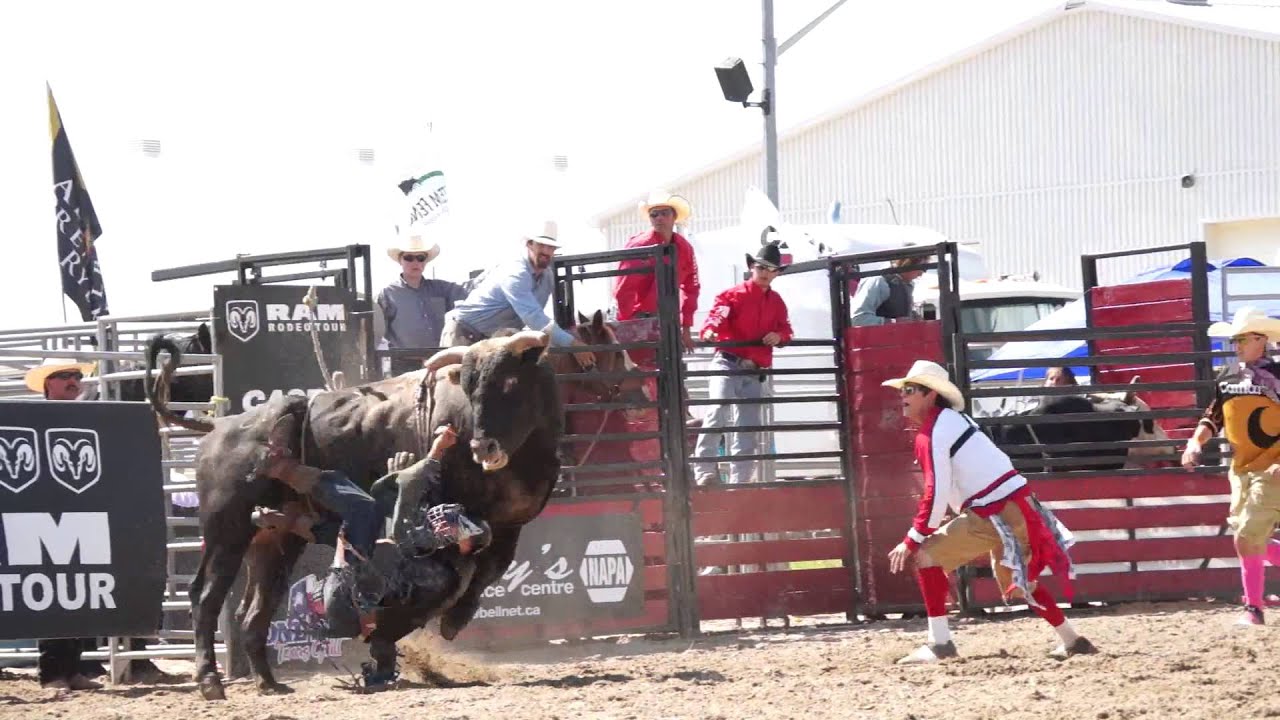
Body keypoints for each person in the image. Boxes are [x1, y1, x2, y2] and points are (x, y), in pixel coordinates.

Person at [882, 360, 1095, 663]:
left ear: (930, 394)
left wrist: (912, 538)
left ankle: (940, 644)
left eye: (910, 389)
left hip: (992, 510)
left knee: (926, 556)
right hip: (1018, 506)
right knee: (1019, 584)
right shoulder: (956, 421)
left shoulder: (932, 433)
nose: (902, 395)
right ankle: (1072, 640)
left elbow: (936, 491)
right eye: (903, 389)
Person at [322, 425, 491, 688]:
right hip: (359, 597)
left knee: (384, 626)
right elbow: (410, 503)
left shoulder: (449, 572)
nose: (447, 525)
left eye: (459, 529)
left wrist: (421, 467)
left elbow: (402, 532)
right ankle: (383, 660)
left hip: (382, 607)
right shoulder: (435, 543)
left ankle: (383, 667)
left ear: (468, 546)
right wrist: (418, 467)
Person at [1180, 307, 1280, 625]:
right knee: (1247, 536)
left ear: (1260, 339)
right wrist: (1195, 443)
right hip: (1240, 470)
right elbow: (1213, 417)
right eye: (1234, 340)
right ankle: (1254, 606)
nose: (1236, 345)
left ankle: (1254, 609)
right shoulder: (1226, 377)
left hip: (1273, 469)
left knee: (1247, 534)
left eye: (1241, 339)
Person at [25, 358, 104, 692]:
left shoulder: (88, 417)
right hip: (41, 514)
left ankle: (72, 669)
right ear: (48, 384)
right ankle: (52, 672)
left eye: (76, 375)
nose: (73, 380)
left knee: (78, 591)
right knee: (50, 593)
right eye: (64, 376)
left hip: (80, 512)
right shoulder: (31, 417)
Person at [692, 242, 793, 486]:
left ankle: (740, 482)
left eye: (771, 269)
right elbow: (716, 317)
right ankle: (705, 471)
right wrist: (709, 330)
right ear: (752, 268)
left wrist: (780, 336)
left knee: (746, 426)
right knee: (718, 410)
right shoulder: (732, 295)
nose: (765, 272)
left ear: (777, 273)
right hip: (728, 362)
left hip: (751, 369)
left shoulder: (776, 302)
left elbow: (786, 329)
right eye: (761, 267)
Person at [440, 221, 595, 368]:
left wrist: (571, 340)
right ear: (529, 244)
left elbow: (538, 319)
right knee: (458, 384)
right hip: (464, 334)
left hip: (491, 340)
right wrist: (572, 343)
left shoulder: (547, 278)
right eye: (541, 245)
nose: (546, 251)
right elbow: (534, 318)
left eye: (550, 247)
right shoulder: (515, 272)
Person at [612, 189, 701, 354]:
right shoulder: (639, 245)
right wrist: (629, 326)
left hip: (668, 319)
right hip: (639, 318)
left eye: (664, 213)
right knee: (646, 367)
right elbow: (624, 289)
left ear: (674, 217)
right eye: (654, 214)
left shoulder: (685, 248)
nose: (659, 218)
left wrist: (686, 327)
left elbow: (692, 288)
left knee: (670, 365)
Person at [376, 236, 469, 375]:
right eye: (409, 258)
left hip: (439, 360)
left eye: (420, 258)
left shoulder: (443, 289)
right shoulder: (387, 294)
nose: (415, 262)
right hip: (404, 364)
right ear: (400, 260)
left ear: (425, 261)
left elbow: (471, 292)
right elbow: (378, 331)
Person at [850, 255, 928, 326]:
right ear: (907, 264)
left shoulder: (907, 285)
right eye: (921, 268)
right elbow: (858, 319)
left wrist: (913, 317)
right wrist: (893, 322)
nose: (921, 274)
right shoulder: (879, 282)